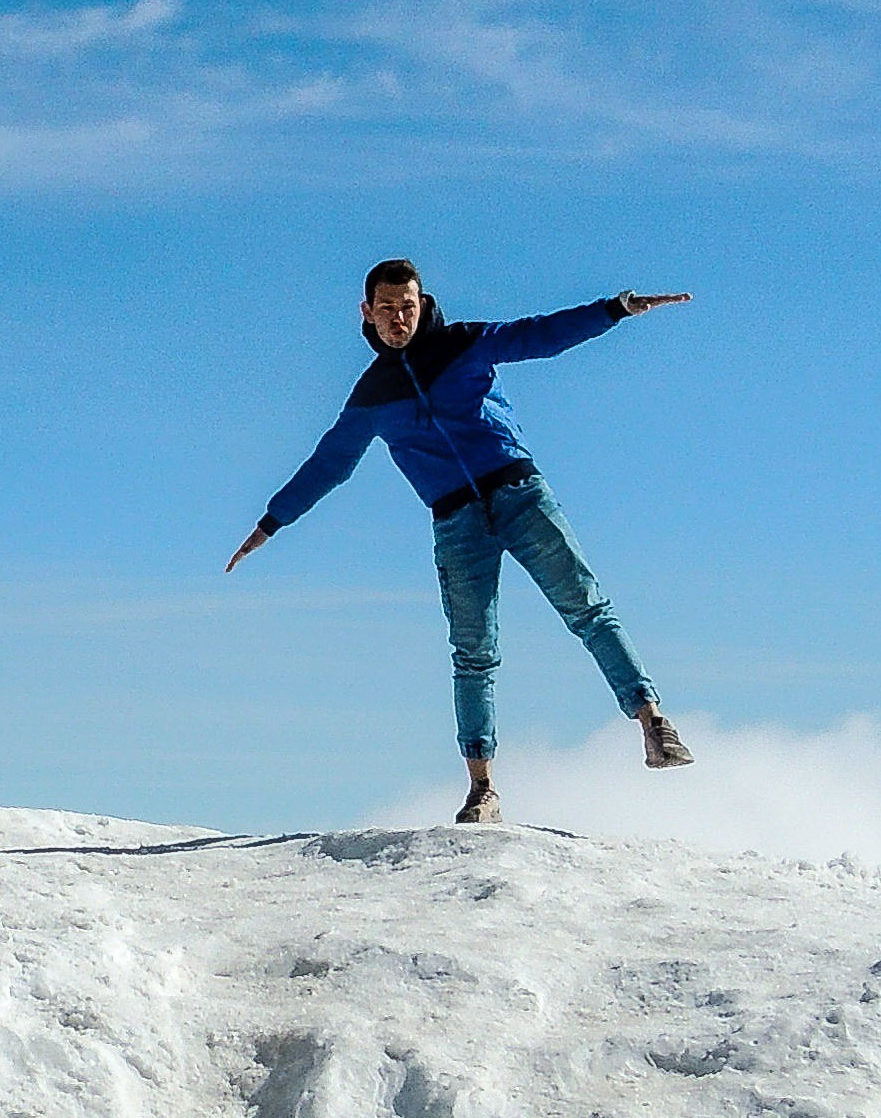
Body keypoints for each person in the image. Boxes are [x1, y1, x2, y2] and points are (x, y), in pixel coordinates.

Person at [226, 260, 695, 824]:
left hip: (519, 493)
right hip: (456, 522)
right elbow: (329, 464)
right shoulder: (371, 396)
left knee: (587, 609)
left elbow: (540, 334)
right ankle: (483, 790)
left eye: (408, 306)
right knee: (473, 653)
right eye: (387, 308)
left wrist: (613, 309)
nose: (399, 319)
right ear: (367, 313)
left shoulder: (465, 343)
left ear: (423, 303)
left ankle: (653, 724)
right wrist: (271, 522)